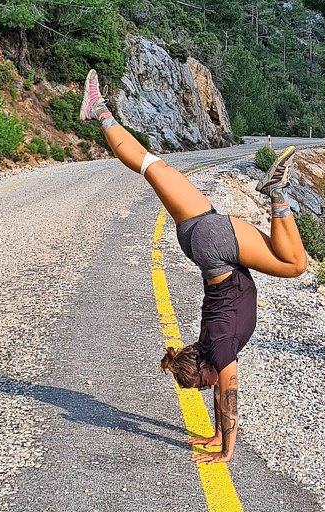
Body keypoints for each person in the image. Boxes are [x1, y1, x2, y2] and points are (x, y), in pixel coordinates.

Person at [80, 70, 307, 464]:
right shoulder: (208, 345)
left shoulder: (218, 348)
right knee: (151, 166)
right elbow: (221, 392)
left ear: (202, 368)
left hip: (217, 250)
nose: (206, 389)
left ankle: (276, 193)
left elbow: (229, 397)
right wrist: (214, 434)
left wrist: (225, 451)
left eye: (199, 385)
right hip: (197, 238)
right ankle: (98, 109)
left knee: (295, 265)